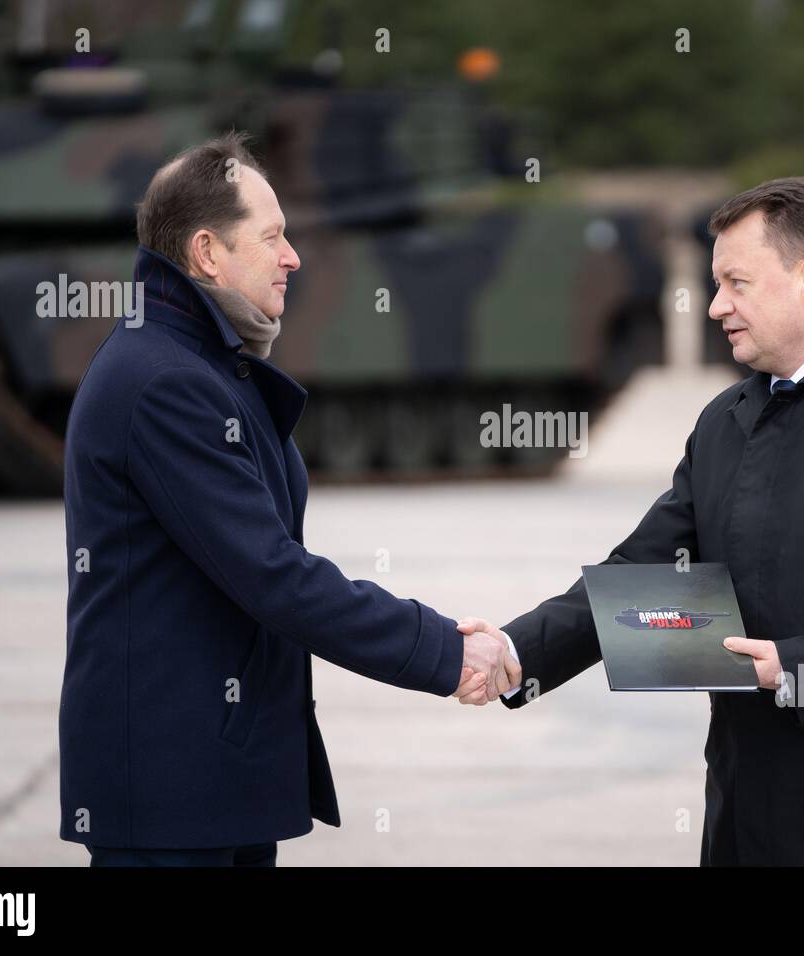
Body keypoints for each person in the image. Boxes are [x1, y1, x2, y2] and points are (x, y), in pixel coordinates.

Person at [459, 177, 804, 866]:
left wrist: (798, 665)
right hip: (747, 805)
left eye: (736, 283)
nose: (715, 307)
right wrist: (518, 652)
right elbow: (642, 573)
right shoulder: (725, 422)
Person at [59, 133, 514, 867]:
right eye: (271, 236)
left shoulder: (194, 363)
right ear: (207, 253)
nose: (293, 255)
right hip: (173, 796)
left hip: (211, 782)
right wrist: (442, 650)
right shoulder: (166, 382)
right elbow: (272, 574)